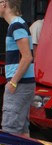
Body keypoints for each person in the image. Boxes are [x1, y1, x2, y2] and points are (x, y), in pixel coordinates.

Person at [1, 0, 35, 135]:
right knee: (22, 130)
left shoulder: (16, 26)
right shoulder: (20, 24)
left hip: (19, 84)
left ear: (4, 4)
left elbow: (27, 57)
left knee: (11, 128)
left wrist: (13, 82)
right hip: (24, 83)